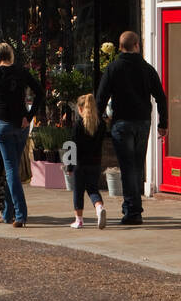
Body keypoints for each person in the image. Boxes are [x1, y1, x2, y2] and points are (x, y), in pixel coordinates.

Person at [95, 30, 167, 225]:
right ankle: (134, 208)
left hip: (121, 123)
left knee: (127, 167)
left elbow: (101, 98)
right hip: (143, 122)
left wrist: (96, 120)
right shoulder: (147, 69)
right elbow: (161, 97)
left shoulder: (113, 68)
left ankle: (132, 211)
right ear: (137, 46)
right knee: (136, 164)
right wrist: (163, 123)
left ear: (120, 47)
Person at [0, 42, 43, 227]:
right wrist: (29, 116)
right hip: (21, 125)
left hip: (3, 125)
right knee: (13, 171)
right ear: (10, 55)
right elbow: (40, 91)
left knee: (10, 171)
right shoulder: (22, 72)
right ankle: (8, 213)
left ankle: (20, 214)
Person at [68, 93, 107, 229]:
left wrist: (69, 166)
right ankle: (99, 207)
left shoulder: (78, 125)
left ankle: (79, 220)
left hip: (80, 163)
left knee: (78, 191)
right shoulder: (101, 125)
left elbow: (72, 145)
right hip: (95, 162)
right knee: (93, 189)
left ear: (80, 109)